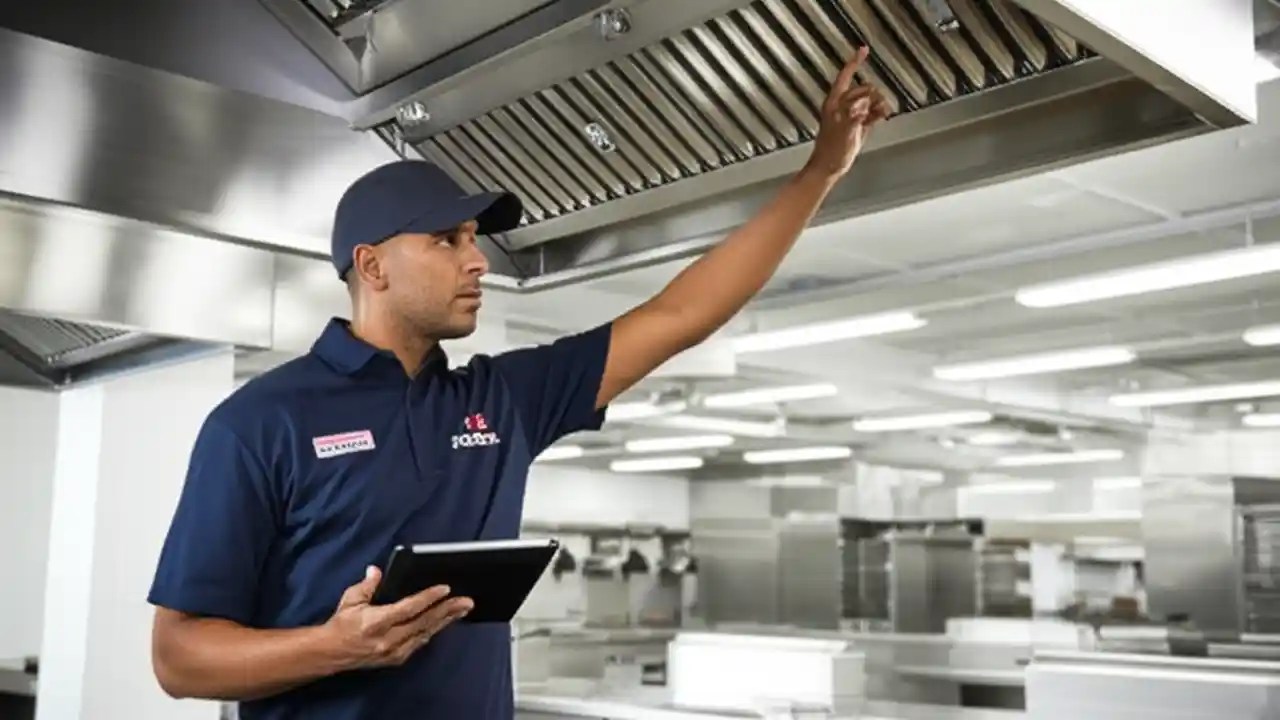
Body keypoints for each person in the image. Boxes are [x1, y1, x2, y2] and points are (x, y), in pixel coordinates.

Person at [147, 48, 890, 719]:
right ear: (371, 268)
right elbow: (178, 657)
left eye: (475, 242)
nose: (477, 262)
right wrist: (339, 645)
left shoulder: (500, 401)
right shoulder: (257, 424)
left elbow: (683, 313)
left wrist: (821, 170)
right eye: (446, 242)